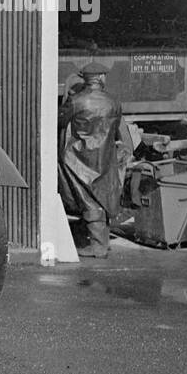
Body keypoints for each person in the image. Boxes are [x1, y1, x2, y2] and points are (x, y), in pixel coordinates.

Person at [58, 62, 125, 258]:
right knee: (102, 195)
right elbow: (117, 126)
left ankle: (98, 247)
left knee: (88, 199)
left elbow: (61, 121)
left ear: (86, 79)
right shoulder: (114, 101)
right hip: (105, 155)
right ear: (101, 78)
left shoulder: (77, 101)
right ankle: (103, 242)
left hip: (79, 158)